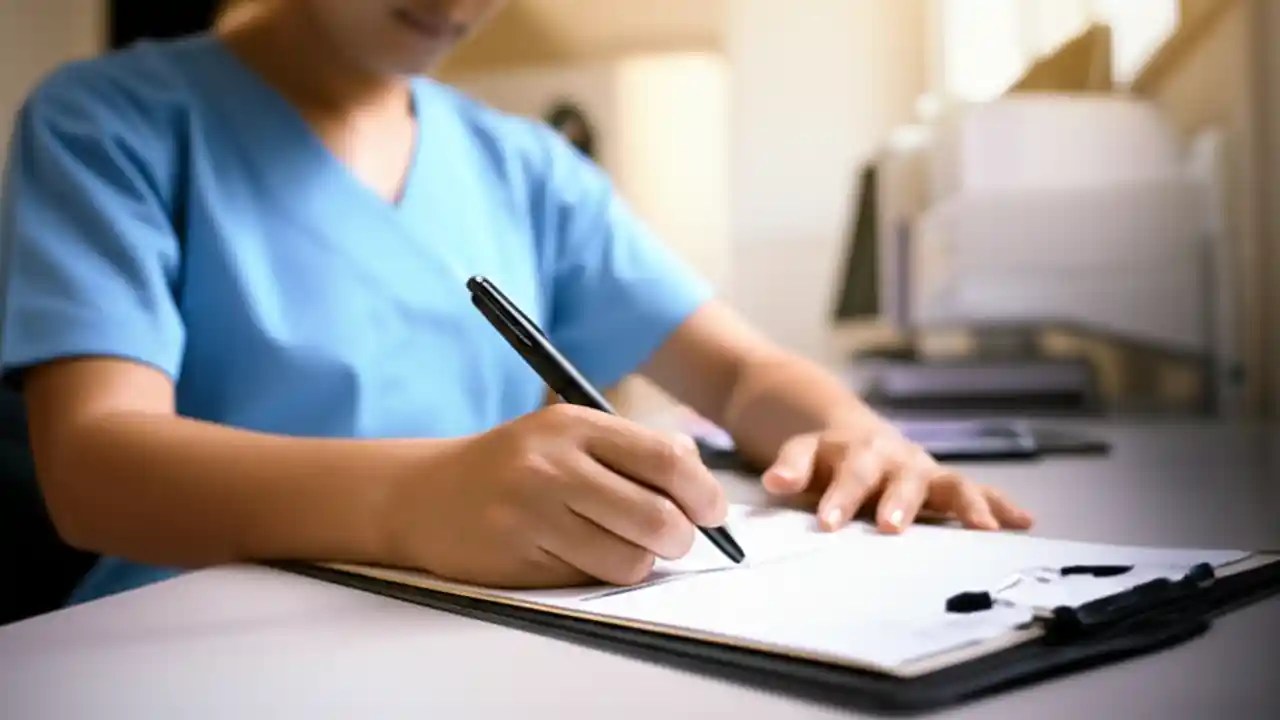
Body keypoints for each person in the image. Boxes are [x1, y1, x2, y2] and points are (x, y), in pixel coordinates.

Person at [0, 0, 1033, 604]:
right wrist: (418, 500)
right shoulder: (109, 124)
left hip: (475, 640)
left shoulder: (526, 169)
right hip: (180, 647)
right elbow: (95, 471)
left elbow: (738, 371)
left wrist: (854, 436)